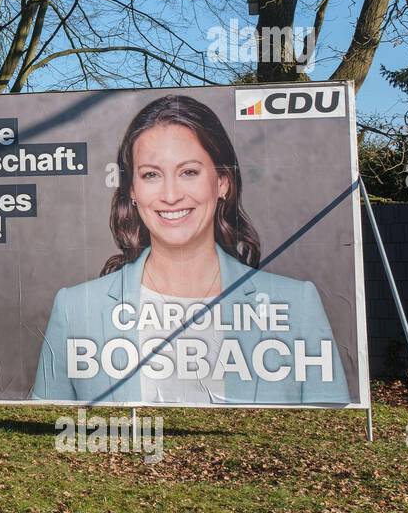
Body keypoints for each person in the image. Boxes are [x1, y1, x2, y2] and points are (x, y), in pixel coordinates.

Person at [32, 95, 348, 405]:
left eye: (189, 172)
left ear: (222, 182)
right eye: (151, 175)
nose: (170, 195)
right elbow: (40, 438)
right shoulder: (75, 309)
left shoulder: (298, 305)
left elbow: (332, 439)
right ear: (133, 190)